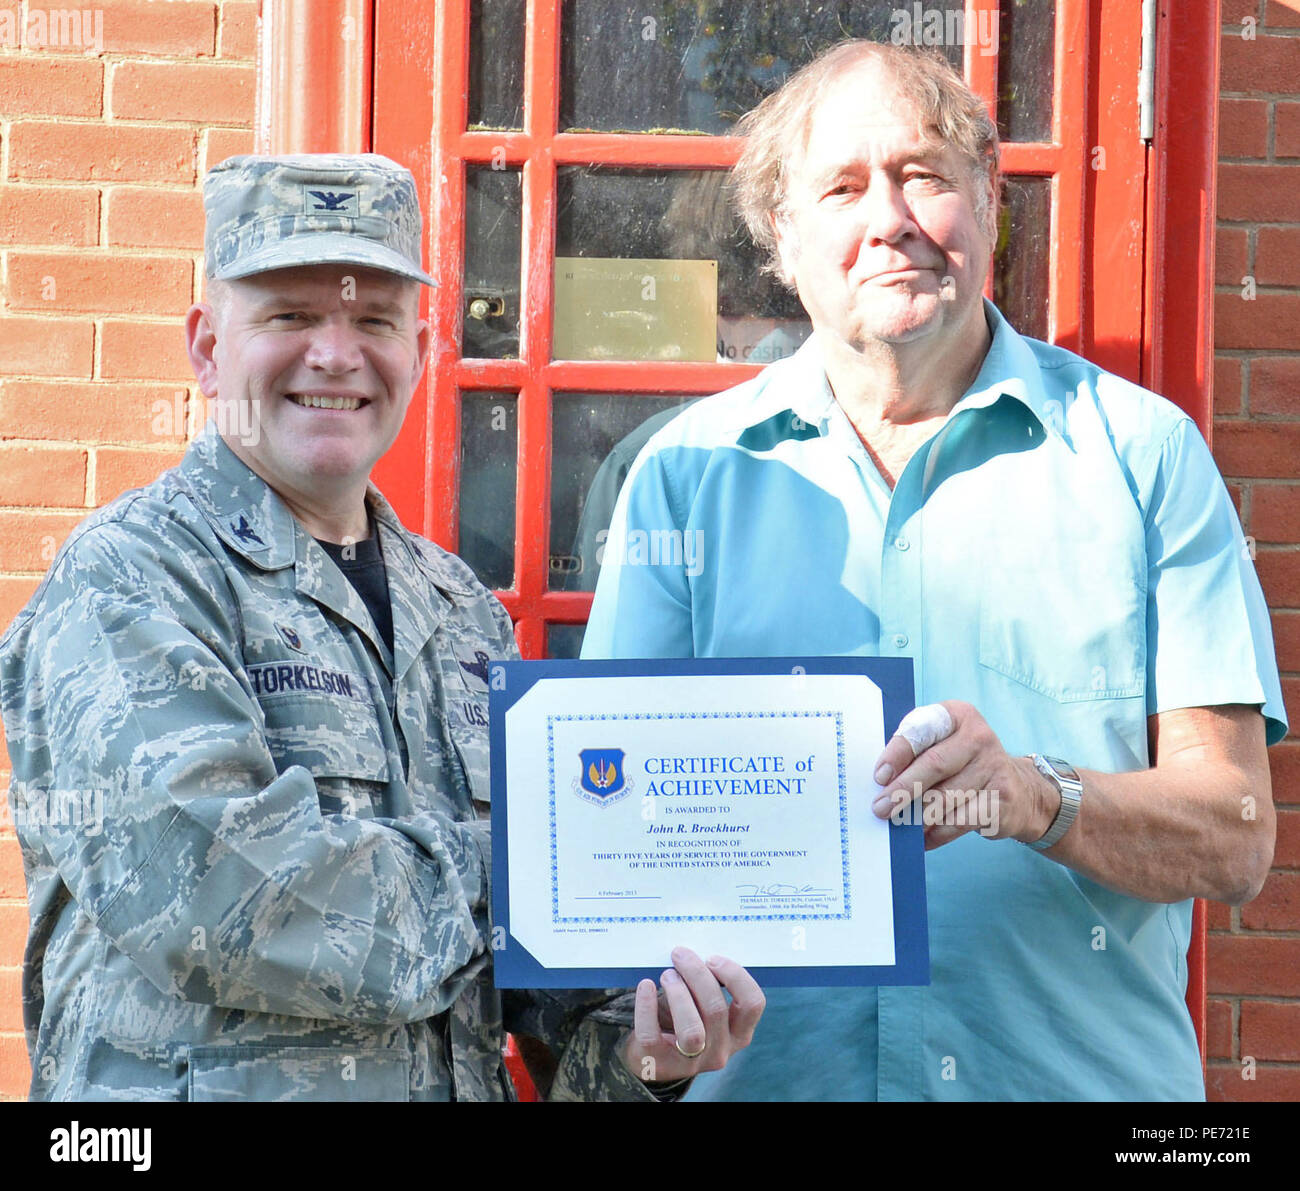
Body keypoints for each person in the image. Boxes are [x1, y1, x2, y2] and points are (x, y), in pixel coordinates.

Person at [581, 42, 1285, 1101]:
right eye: (843, 187)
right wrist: (653, 1049)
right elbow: (609, 832)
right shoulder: (683, 477)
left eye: (923, 175)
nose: (890, 218)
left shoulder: (1142, 455)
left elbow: (1234, 833)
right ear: (782, 237)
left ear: (987, 200)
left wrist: (1032, 796)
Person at [0, 153, 763, 1102]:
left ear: (421, 349)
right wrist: (546, 863)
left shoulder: (463, 612)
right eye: (289, 316)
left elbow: (524, 1003)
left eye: (373, 321)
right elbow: (218, 899)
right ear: (205, 347)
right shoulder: (129, 581)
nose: (335, 353)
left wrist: (646, 1049)